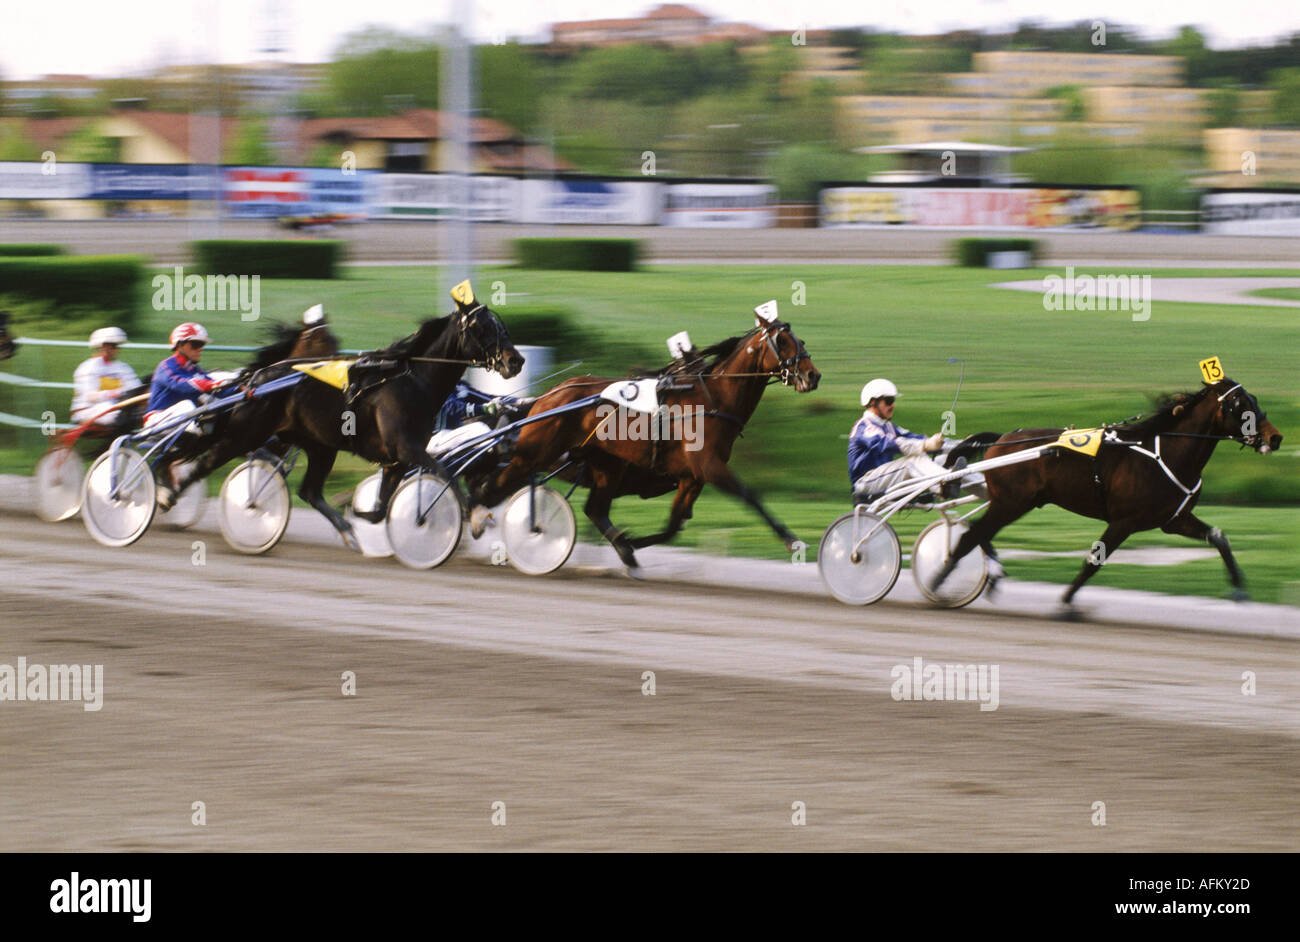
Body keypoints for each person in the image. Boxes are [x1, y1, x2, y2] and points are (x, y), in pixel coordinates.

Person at [848, 378, 977, 502]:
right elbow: (886, 445)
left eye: (893, 401)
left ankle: (986, 489)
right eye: (888, 401)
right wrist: (925, 445)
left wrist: (962, 445)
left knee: (946, 459)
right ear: (872, 402)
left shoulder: (889, 427)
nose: (892, 405)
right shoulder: (864, 427)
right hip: (865, 483)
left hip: (885, 478)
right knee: (913, 460)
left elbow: (919, 440)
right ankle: (943, 486)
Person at [144, 322, 218, 429]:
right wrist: (211, 384)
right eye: (195, 344)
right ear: (179, 345)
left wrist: (239, 387)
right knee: (186, 405)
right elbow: (179, 384)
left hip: (182, 419)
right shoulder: (166, 366)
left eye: (202, 345)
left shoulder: (196, 370)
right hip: (157, 420)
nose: (200, 349)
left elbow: (219, 389)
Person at [71, 327, 140, 427]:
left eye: (115, 346)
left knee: (134, 413)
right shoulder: (87, 367)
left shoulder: (123, 368)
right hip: (87, 410)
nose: (114, 350)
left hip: (114, 408)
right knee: (115, 413)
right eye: (111, 346)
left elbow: (135, 387)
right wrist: (119, 392)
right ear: (100, 347)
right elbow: (90, 397)